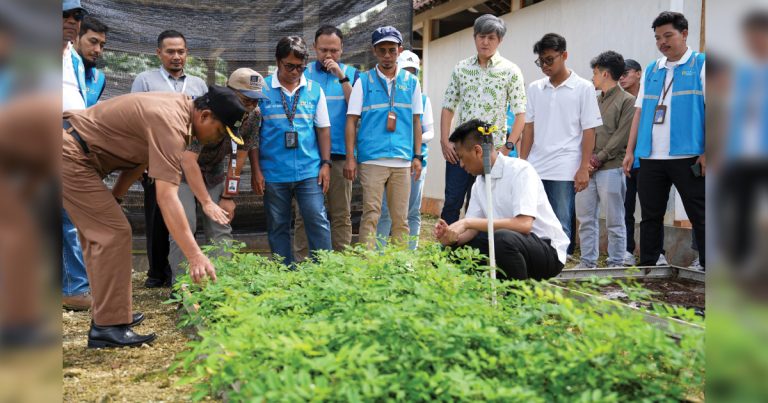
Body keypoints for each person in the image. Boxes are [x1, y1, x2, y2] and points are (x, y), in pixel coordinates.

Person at [62, 86, 247, 347]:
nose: (217, 140)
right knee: (114, 233)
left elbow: (139, 156)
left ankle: (110, 315)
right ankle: (109, 327)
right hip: (69, 154)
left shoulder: (178, 113)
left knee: (102, 235)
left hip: (72, 150)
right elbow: (167, 198)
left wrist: (116, 195)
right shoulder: (171, 124)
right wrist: (194, 255)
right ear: (205, 116)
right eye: (220, 132)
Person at [622, 11, 706, 269]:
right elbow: (639, 111)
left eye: (668, 35)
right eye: (658, 37)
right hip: (650, 156)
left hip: (688, 155)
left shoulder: (702, 64)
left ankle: (707, 265)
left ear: (684, 33)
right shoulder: (651, 69)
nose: (662, 42)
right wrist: (630, 151)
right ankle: (649, 264)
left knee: (701, 215)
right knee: (649, 216)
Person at [434, 120, 567, 280]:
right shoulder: (479, 183)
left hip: (546, 250)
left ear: (477, 151)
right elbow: (473, 230)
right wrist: (452, 238)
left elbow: (524, 224)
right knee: (450, 251)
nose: (461, 164)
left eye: (462, 157)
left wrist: (467, 222)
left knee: (503, 239)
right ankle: (474, 297)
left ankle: (517, 300)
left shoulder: (520, 170)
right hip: (507, 245)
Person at [167, 68, 265, 284]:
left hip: (214, 171)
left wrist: (228, 196)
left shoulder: (254, 117)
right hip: (181, 171)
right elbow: (188, 159)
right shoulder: (206, 111)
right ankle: (183, 289)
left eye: (256, 101)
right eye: (246, 99)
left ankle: (220, 286)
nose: (251, 106)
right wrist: (205, 202)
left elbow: (240, 155)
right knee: (184, 225)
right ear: (231, 91)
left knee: (220, 225)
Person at [131, 30, 209, 288]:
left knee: (185, 215)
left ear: (187, 53)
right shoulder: (145, 80)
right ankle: (156, 272)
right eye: (170, 51)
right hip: (155, 157)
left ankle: (183, 270)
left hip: (188, 159)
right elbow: (135, 120)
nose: (176, 56)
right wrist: (142, 160)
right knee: (156, 215)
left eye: (181, 51)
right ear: (159, 53)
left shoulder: (198, 84)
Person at [250, 36, 332, 265]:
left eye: (300, 67)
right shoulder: (261, 89)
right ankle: (284, 273)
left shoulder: (315, 90)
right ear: (277, 61)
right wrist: (256, 170)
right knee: (277, 224)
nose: (295, 72)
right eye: (290, 66)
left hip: (309, 171)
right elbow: (252, 135)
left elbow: (323, 130)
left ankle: (324, 271)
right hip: (273, 172)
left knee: (317, 219)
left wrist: (326, 164)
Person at [520, 33, 602, 260]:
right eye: (541, 61)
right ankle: (538, 264)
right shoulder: (535, 88)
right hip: (536, 165)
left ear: (564, 55)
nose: (544, 66)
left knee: (560, 221)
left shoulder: (584, 88)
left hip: (564, 166)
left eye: (549, 60)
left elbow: (589, 130)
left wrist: (584, 167)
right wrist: (522, 164)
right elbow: (528, 129)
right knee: (533, 220)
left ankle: (558, 268)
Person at [440, 14, 526, 225]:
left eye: (491, 37)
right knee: (452, 202)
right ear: (474, 37)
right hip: (460, 150)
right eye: (481, 37)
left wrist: (507, 147)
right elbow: (448, 106)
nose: (485, 42)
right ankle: (444, 253)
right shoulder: (461, 68)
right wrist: (445, 140)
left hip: (491, 151)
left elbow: (521, 114)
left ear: (500, 40)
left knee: (482, 206)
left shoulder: (511, 71)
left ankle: (476, 256)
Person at [344, 26, 423, 248]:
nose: (387, 55)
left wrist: (417, 156)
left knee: (401, 218)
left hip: (402, 159)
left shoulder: (411, 82)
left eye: (391, 50)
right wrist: (351, 157)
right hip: (371, 159)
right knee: (371, 214)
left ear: (399, 50)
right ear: (374, 51)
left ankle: (399, 265)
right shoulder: (364, 81)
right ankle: (369, 266)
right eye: (382, 50)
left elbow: (417, 121)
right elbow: (351, 120)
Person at [293, 25, 359, 260]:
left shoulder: (351, 74)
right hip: (310, 158)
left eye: (334, 50)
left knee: (341, 214)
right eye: (323, 50)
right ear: (314, 49)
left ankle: (340, 266)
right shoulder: (303, 73)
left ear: (342, 50)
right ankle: (302, 264)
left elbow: (357, 108)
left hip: (341, 156)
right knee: (305, 215)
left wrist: (342, 78)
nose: (328, 56)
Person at [61, 1, 106, 311]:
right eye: (63, 14)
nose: (70, 20)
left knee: (71, 217)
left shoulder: (79, 66)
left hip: (73, 145)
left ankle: (76, 287)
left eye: (76, 15)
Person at [575, 51, 634, 268]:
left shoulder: (628, 100)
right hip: (587, 169)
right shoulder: (593, 100)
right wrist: (585, 163)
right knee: (585, 218)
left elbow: (621, 137)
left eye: (595, 73)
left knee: (614, 220)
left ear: (606, 74)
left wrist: (595, 160)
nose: (593, 78)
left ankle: (616, 262)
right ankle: (587, 261)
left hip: (611, 167)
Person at [376, 50, 434, 249]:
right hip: (390, 160)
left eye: (413, 71)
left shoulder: (423, 98)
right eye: (406, 70)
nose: (409, 74)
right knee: (384, 210)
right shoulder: (385, 95)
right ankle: (378, 254)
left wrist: (412, 142)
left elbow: (429, 132)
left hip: (416, 162)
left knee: (412, 211)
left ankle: (409, 255)